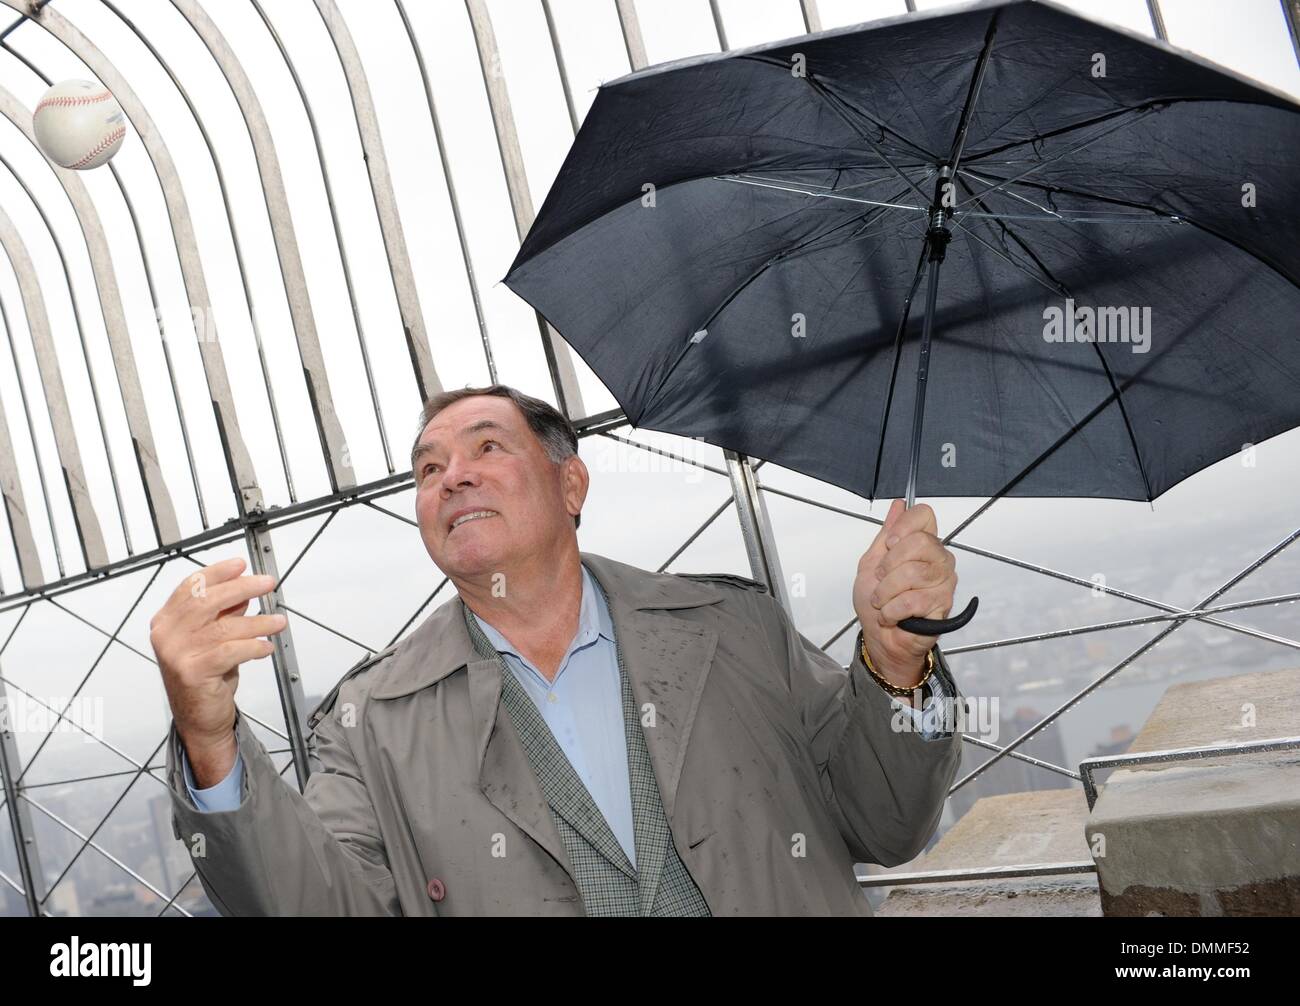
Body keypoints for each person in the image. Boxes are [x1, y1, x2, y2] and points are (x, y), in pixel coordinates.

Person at [152, 384, 963, 915]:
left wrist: (895, 667)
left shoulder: (733, 630)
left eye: (487, 448)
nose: (452, 477)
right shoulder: (372, 725)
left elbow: (885, 823)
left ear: (571, 485)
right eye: (429, 468)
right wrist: (210, 741)